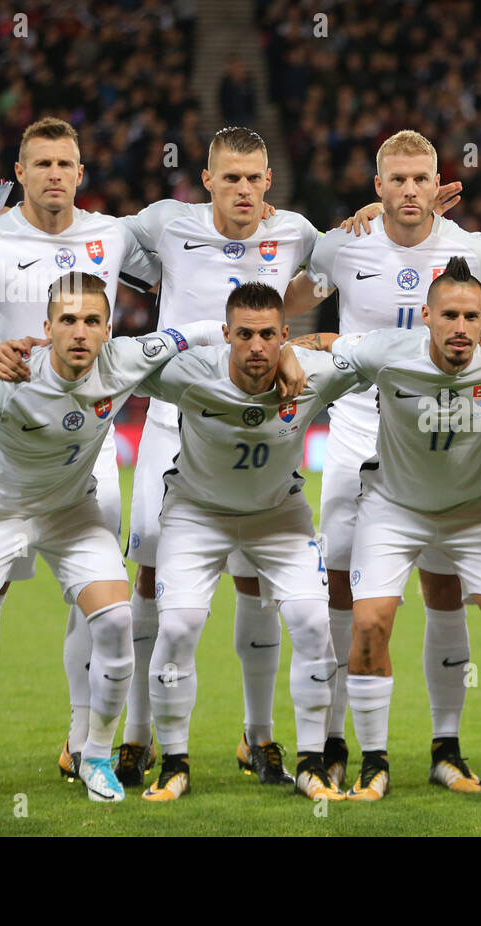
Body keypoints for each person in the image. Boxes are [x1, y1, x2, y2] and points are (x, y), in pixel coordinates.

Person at [293, 256, 481, 801]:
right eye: (450, 315)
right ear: (426, 315)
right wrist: (284, 350)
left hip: (474, 509)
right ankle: (374, 764)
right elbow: (328, 342)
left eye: (473, 316)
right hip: (394, 507)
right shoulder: (387, 352)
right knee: (370, 624)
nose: (462, 327)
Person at [0, 273, 219, 806]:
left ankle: (96, 756)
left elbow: (199, 330)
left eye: (92, 321)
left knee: (115, 620)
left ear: (109, 329)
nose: (81, 332)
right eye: (68, 320)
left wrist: (277, 350)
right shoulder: (9, 374)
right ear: (46, 327)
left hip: (72, 514)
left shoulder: (125, 359)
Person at [284, 130, 481, 793]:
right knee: (342, 585)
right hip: (358, 428)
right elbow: (291, 302)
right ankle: (331, 742)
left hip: (443, 432)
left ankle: (446, 749)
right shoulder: (343, 243)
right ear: (377, 185)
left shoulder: (469, 250)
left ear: (439, 183)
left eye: (421, 178)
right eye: (397, 179)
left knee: (445, 586)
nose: (410, 190)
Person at [0, 117, 159, 784]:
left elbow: (188, 261)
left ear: (81, 171)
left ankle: (81, 744)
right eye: (42, 164)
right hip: (10, 434)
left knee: (95, 604)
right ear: (21, 172)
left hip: (88, 445)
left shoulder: (111, 234)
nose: (55, 175)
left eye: (65, 163)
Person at [116, 126, 319, 788]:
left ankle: (258, 739)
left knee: (255, 576)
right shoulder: (165, 225)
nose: (243, 189)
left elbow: (347, 256)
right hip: (177, 422)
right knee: (150, 577)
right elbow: (93, 241)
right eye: (230, 177)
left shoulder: (296, 233)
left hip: (258, 425)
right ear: (206, 179)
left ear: (269, 181)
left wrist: (377, 216)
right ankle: (139, 736)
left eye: (255, 177)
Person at [131, 282, 364, 802]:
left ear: (284, 335)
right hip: (196, 513)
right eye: (243, 335)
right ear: (224, 336)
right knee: (177, 628)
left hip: (278, 515)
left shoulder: (314, 377)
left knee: (311, 623)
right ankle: (173, 763)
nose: (256, 347)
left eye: (267, 336)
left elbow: (378, 351)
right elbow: (119, 357)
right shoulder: (190, 373)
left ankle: (310, 763)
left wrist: (315, 345)